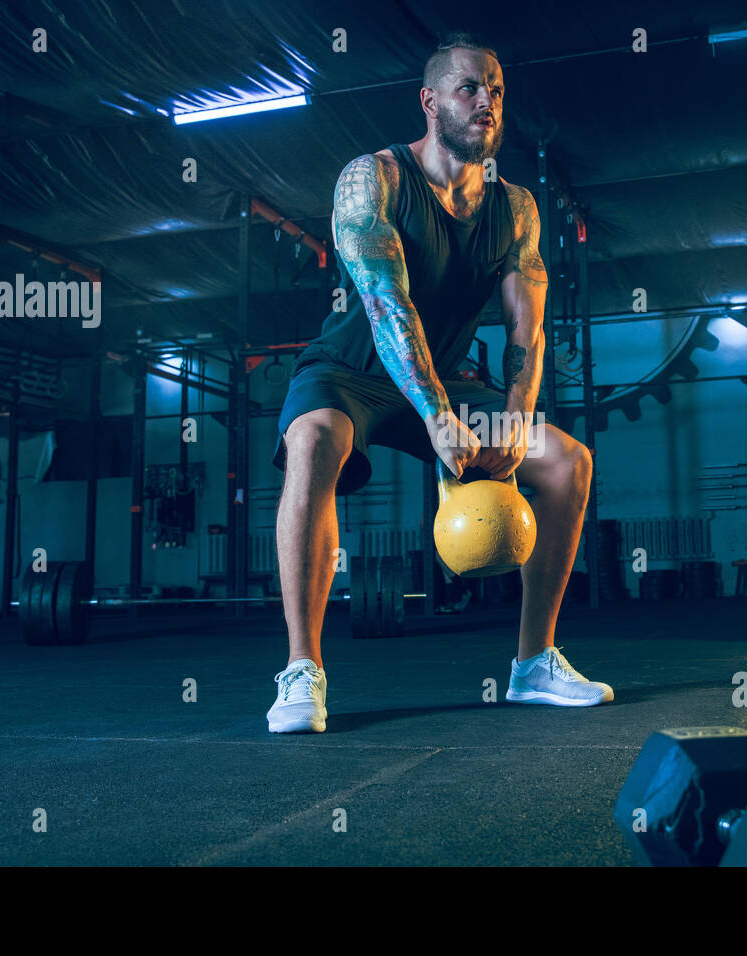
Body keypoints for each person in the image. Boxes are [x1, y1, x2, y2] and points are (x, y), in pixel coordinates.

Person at [267, 33, 612, 733]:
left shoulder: (515, 209)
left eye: (497, 89)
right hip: (351, 373)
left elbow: (528, 330)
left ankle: (534, 662)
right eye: (469, 88)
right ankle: (303, 671)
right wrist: (433, 413)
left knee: (567, 462)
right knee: (311, 442)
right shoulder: (375, 180)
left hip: (447, 376)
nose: (487, 101)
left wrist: (515, 415)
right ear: (429, 102)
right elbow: (388, 305)